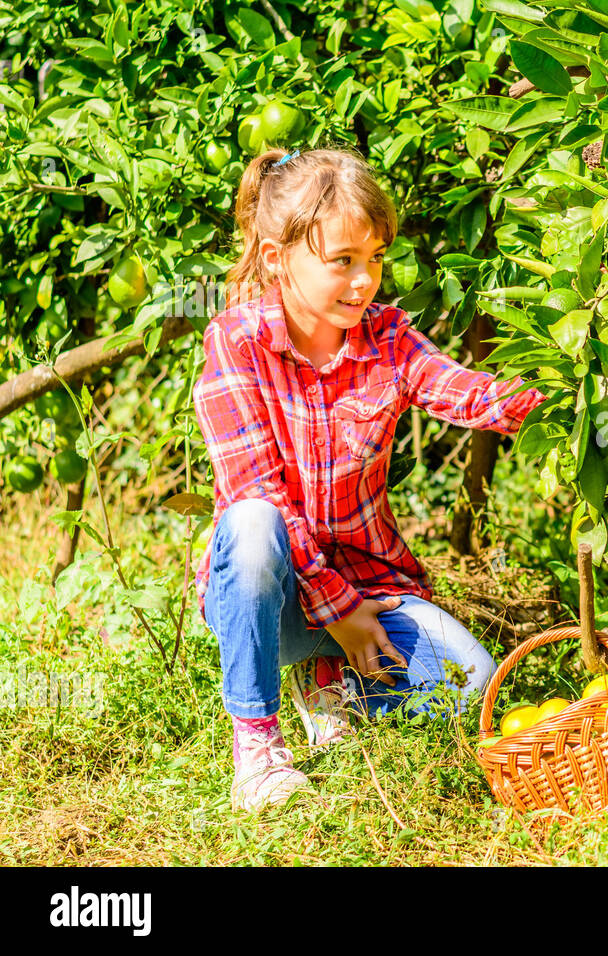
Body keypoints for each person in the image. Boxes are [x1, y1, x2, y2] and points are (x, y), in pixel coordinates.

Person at [192, 146, 548, 812]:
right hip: (275, 601)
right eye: (343, 262)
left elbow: (466, 392)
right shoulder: (234, 341)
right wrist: (342, 612)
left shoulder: (387, 339)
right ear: (277, 259)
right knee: (249, 521)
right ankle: (258, 746)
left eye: (376, 258)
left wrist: (567, 398)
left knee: (469, 691)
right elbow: (258, 492)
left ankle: (330, 683)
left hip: (369, 589)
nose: (364, 282)